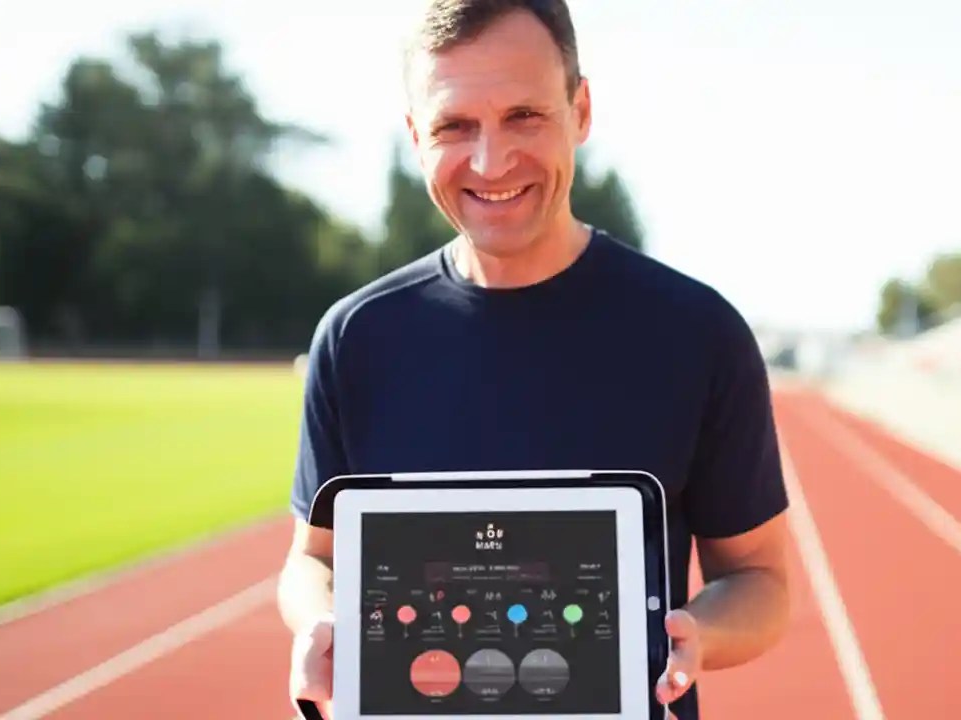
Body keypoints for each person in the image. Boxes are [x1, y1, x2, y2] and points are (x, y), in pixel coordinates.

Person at [276, 1, 791, 718]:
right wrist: (322, 622)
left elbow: (760, 579)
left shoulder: (699, 332)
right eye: (455, 126)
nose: (491, 162)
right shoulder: (356, 337)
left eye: (524, 116)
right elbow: (314, 559)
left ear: (581, 111)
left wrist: (694, 636)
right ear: (416, 136)